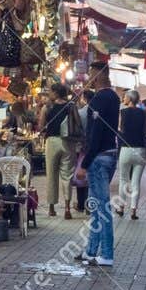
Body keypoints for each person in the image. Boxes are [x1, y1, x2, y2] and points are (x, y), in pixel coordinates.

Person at [78, 84, 120, 267]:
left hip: (98, 158)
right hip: (110, 154)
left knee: (101, 207)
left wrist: (84, 163)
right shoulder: (114, 98)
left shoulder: (98, 100)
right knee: (96, 206)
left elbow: (95, 134)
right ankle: (91, 251)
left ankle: (107, 254)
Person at [40, 82, 81, 219]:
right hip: (68, 142)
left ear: (56, 93)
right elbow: (78, 124)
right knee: (67, 175)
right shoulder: (71, 106)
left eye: (50, 92)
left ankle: (51, 208)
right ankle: (67, 208)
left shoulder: (47, 107)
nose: (49, 94)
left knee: (51, 174)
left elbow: (41, 126)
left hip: (52, 141)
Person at [116, 89, 146, 220]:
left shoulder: (122, 112)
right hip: (140, 149)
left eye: (125, 97)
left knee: (123, 180)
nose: (123, 99)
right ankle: (133, 210)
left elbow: (120, 129)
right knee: (136, 182)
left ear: (129, 99)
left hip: (126, 149)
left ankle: (121, 208)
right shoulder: (143, 112)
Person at [71, 88, 92, 214]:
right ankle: (89, 204)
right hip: (93, 148)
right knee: (90, 176)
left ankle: (80, 204)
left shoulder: (80, 112)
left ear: (84, 98)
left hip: (81, 147)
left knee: (80, 176)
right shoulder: (98, 112)